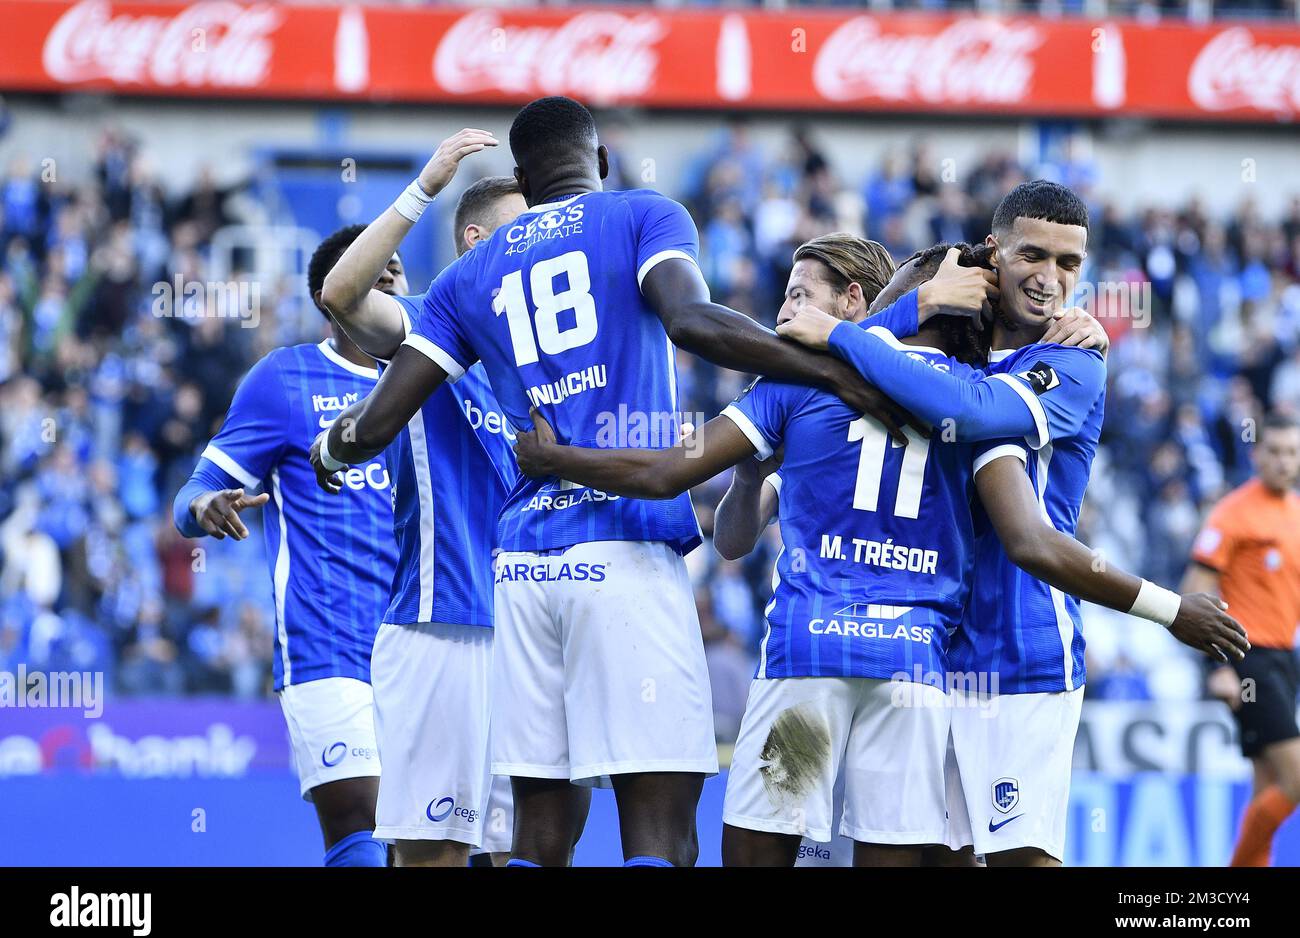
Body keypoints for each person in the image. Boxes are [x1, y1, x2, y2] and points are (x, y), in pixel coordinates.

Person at [309, 96, 974, 867]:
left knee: (537, 831)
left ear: (523, 178)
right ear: (600, 162)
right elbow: (692, 322)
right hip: (625, 550)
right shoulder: (641, 215)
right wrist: (832, 369)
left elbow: (376, 422)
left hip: (522, 569)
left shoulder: (466, 279)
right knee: (661, 832)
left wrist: (330, 450)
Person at [512, 235, 1247, 866]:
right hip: (912, 675)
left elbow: (665, 475)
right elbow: (1029, 538)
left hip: (808, 663)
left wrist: (556, 459)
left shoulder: (798, 383)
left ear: (911, 297)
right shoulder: (977, 408)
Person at [778, 181, 1248, 865]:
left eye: (1069, 263)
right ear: (994, 251)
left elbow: (976, 425)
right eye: (1034, 255)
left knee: (1019, 860)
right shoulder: (950, 350)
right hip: (930, 650)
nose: (1051, 278)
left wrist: (1170, 610)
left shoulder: (1071, 361)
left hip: (1023, 655)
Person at [319, 132, 527, 867]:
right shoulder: (434, 322)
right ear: (476, 241)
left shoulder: (544, 353)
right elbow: (342, 295)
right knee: (434, 854)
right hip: (444, 627)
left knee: (523, 851)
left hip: (531, 628)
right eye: (523, 228)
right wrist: (427, 184)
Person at [171, 223, 406, 867]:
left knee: (438, 837)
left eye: (398, 267)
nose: (391, 276)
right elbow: (194, 491)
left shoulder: (439, 381)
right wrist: (204, 506)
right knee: (362, 821)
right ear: (335, 294)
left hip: (426, 640)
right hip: (328, 642)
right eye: (376, 268)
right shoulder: (285, 378)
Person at [1185, 414, 1300, 867]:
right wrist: (1217, 666)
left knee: (1267, 784)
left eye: (1292, 452)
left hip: (1285, 659)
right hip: (1249, 660)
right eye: (1275, 451)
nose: (1284, 461)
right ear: (1256, 454)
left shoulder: (1295, 513)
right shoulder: (1232, 512)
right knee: (1295, 780)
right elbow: (1195, 593)